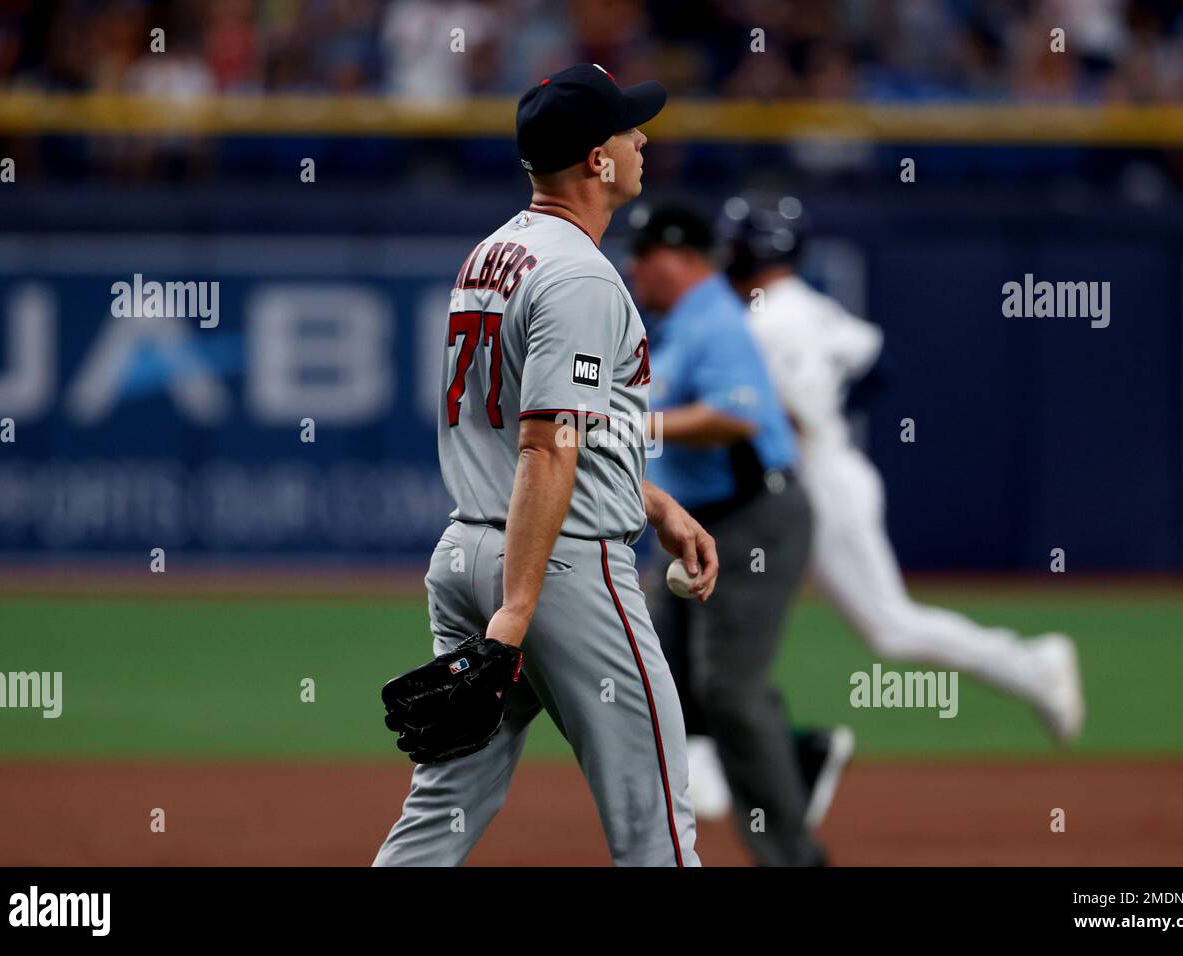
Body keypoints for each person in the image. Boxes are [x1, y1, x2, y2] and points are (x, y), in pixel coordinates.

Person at [373, 64, 718, 867]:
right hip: (559, 569)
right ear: (597, 161)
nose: (641, 140)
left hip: (466, 554)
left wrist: (656, 504)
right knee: (656, 825)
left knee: (442, 811)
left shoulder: (492, 254)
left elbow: (545, 434)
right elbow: (547, 446)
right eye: (629, 130)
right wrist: (519, 613)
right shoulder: (582, 276)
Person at [716, 193, 1085, 746]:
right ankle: (727, 760)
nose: (724, 255)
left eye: (732, 244)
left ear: (752, 251)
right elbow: (873, 360)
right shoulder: (806, 305)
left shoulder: (773, 320)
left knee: (889, 628)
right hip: (816, 474)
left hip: (819, 485)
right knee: (720, 619)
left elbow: (789, 417)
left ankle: (1030, 666)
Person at [627, 204, 846, 867]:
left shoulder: (715, 318)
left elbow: (736, 416)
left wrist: (641, 427)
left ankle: (791, 857)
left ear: (678, 257)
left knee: (729, 691)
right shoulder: (677, 325)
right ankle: (797, 750)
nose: (634, 269)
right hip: (702, 521)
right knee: (654, 671)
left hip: (754, 518)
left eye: (643, 256)